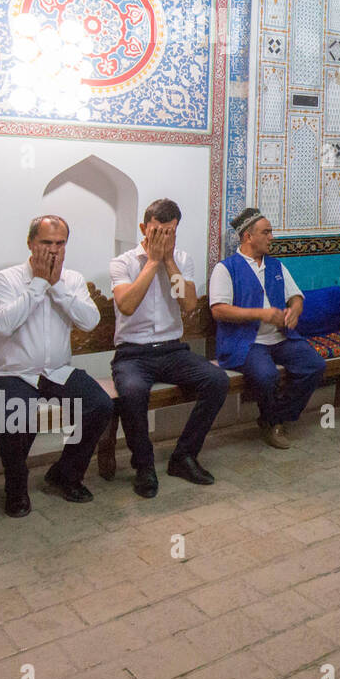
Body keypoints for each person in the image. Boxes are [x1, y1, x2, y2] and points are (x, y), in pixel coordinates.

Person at [0, 216, 113, 516]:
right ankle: (16, 488)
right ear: (31, 243)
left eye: (60, 243)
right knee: (16, 415)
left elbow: (90, 321)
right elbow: (4, 325)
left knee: (99, 405)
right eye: (46, 243)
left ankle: (65, 474)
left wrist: (56, 287)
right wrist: (39, 283)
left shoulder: (73, 280)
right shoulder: (6, 279)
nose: (53, 250)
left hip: (57, 372)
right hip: (13, 373)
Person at [110, 198, 229, 495]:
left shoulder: (183, 259)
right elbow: (126, 305)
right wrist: (152, 262)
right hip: (132, 354)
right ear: (143, 228)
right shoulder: (123, 263)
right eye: (157, 231)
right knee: (133, 393)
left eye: (170, 232)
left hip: (172, 350)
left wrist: (168, 261)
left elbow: (188, 304)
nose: (163, 238)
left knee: (217, 380)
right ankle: (145, 466)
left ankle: (184, 456)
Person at [209, 207, 325, 449]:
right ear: (248, 236)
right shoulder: (226, 269)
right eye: (266, 232)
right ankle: (273, 422)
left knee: (314, 365)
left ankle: (277, 417)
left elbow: (296, 297)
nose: (272, 237)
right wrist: (262, 314)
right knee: (267, 376)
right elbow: (219, 310)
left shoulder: (276, 267)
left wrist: (295, 311)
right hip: (247, 343)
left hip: (281, 338)